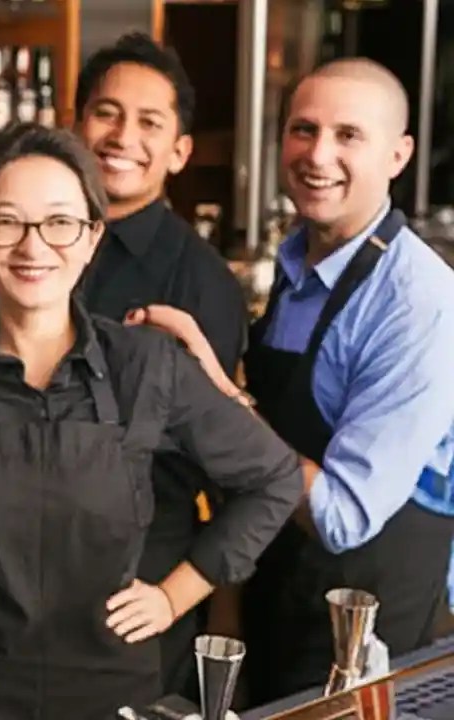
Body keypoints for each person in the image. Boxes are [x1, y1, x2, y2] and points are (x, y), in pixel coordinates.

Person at [0, 123, 302, 719]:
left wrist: (177, 595)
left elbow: (273, 477)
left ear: (94, 236)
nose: (33, 246)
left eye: (60, 222)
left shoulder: (148, 365)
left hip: (110, 694)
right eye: (6, 222)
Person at [136, 58, 454, 706]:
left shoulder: (420, 301)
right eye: (303, 130)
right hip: (275, 590)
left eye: (348, 135)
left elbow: (342, 516)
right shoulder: (298, 262)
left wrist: (212, 389)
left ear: (399, 154)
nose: (318, 154)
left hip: (363, 627)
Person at [72, 32, 250, 699]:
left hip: (139, 594)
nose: (122, 135)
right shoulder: (32, 243)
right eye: (107, 112)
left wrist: (186, 601)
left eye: (149, 122)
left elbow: (236, 476)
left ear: (179, 151)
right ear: (75, 124)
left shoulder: (201, 284)